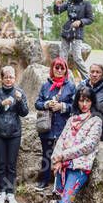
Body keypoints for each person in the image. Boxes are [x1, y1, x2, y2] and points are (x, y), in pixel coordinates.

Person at [37, 85, 101, 203]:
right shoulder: (72, 119)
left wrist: (62, 156)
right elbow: (61, 140)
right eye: (81, 100)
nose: (84, 104)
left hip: (79, 168)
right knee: (58, 202)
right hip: (63, 167)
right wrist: (56, 160)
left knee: (66, 202)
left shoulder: (96, 121)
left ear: (92, 101)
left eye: (87, 100)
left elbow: (88, 146)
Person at [0, 65, 29, 203]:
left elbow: (24, 112)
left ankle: (10, 193)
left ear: (15, 78)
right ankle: (2, 191)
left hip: (14, 133)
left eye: (11, 77)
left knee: (11, 164)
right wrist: (1, 103)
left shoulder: (19, 92)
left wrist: (20, 100)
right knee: (1, 163)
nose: (8, 79)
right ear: (2, 78)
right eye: (6, 77)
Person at [34, 57, 77, 189]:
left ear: (65, 70)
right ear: (52, 69)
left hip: (62, 126)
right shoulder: (46, 85)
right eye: (56, 67)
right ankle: (44, 180)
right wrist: (47, 104)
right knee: (46, 154)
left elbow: (75, 106)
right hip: (47, 127)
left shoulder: (70, 86)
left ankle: (61, 182)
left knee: (62, 155)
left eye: (61, 68)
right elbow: (37, 103)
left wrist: (62, 106)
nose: (59, 70)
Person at [53, 0, 93, 78]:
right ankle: (61, 78)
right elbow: (57, 12)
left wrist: (80, 22)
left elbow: (90, 19)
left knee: (77, 58)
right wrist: (56, 5)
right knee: (62, 57)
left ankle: (87, 79)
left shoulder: (86, 4)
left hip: (77, 33)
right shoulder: (69, 3)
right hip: (66, 31)